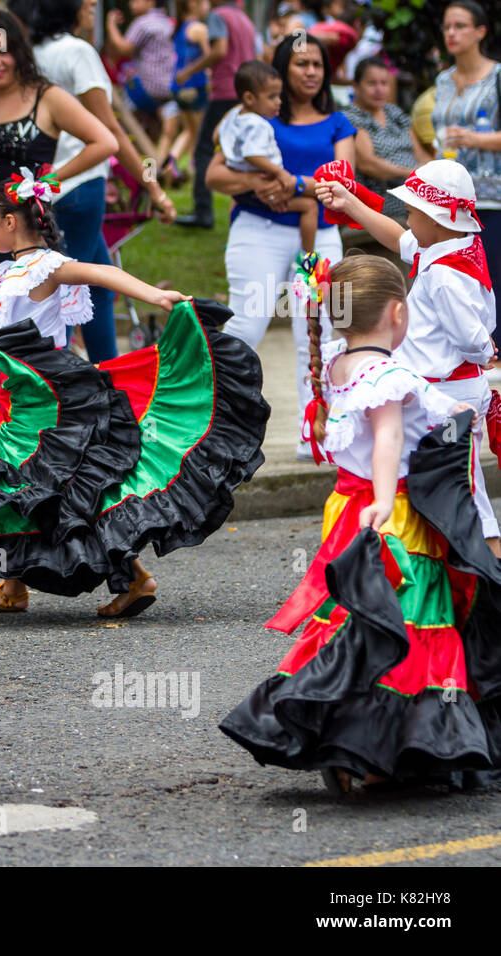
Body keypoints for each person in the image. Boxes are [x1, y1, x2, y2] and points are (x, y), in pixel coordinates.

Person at [0, 169, 268, 619]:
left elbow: (101, 272)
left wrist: (156, 296)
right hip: (23, 400)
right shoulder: (4, 271)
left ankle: (18, 586)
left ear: (11, 222)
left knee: (29, 488)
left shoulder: (45, 266)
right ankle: (109, 579)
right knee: (47, 493)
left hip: (49, 404)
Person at [219, 255, 501, 794]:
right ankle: (381, 746)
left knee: (359, 625)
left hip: (350, 509)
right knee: (409, 622)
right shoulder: (389, 376)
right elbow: (390, 440)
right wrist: (383, 502)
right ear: (399, 314)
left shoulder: (339, 367)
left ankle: (355, 743)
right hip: (390, 511)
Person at [0, 9, 117, 430]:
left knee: (34, 346)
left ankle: (42, 440)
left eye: (2, 51)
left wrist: (50, 180)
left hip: (28, 247)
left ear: (18, 50)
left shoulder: (47, 96)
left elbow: (104, 140)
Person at [318, 161, 499, 554]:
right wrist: (350, 202)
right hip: (441, 391)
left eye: (414, 211)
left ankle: (491, 567)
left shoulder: (443, 275)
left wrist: (485, 351)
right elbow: (400, 238)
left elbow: (470, 336)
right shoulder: (451, 245)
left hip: (449, 396)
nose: (407, 216)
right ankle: (443, 564)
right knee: (442, 481)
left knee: (462, 486)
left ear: (436, 219)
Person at [206, 33, 355, 452]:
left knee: (321, 332)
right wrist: (258, 182)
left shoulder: (338, 122)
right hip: (260, 233)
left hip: (319, 239)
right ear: (282, 68)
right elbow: (213, 177)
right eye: (301, 64)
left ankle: (318, 436)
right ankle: (206, 428)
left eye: (318, 65)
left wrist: (298, 187)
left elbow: (346, 182)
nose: (311, 72)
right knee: (247, 325)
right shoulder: (250, 114)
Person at [10, 0, 176, 366]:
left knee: (100, 286)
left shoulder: (30, 53)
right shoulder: (78, 52)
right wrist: (152, 187)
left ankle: (109, 377)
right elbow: (111, 129)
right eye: (87, 3)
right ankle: (66, 390)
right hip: (80, 186)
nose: (92, 9)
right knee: (68, 293)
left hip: (43, 186)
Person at [431, 0, 501, 283]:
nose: (451, 33)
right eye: (447, 26)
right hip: (449, 200)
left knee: (492, 282)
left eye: (460, 26)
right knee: (456, 281)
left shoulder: (497, 76)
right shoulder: (443, 80)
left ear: (480, 31)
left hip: (491, 198)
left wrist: (475, 139)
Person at [218, 60, 319, 254]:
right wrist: (279, 173)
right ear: (249, 98)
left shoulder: (234, 115)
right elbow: (251, 154)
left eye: (279, 96)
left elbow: (218, 136)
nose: (278, 102)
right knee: (310, 206)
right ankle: (309, 260)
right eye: (272, 97)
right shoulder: (258, 124)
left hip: (244, 190)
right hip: (263, 184)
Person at [341, 56, 430, 268]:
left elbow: (421, 155)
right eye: (372, 83)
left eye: (384, 83)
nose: (379, 89)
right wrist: (413, 175)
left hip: (413, 201)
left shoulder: (394, 113)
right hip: (382, 206)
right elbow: (368, 163)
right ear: (356, 86)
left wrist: (435, 172)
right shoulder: (350, 117)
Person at [176, 0, 258, 229]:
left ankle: (203, 212)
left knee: (204, 149)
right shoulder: (245, 19)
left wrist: (188, 71)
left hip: (225, 91)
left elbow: (219, 50)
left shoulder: (218, 15)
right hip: (245, 92)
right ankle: (252, 207)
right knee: (246, 152)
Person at [105, 0, 176, 140]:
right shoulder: (166, 21)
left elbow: (123, 49)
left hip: (148, 90)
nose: (132, 4)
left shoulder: (143, 23)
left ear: (150, 2)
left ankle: (127, 136)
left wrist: (110, 24)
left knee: (123, 88)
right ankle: (151, 131)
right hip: (169, 87)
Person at [167, 0, 212, 179]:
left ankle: (171, 162)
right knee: (200, 133)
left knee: (189, 131)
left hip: (178, 87)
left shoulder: (180, 27)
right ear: (193, 4)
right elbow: (210, 57)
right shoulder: (199, 29)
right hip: (195, 87)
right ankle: (197, 169)